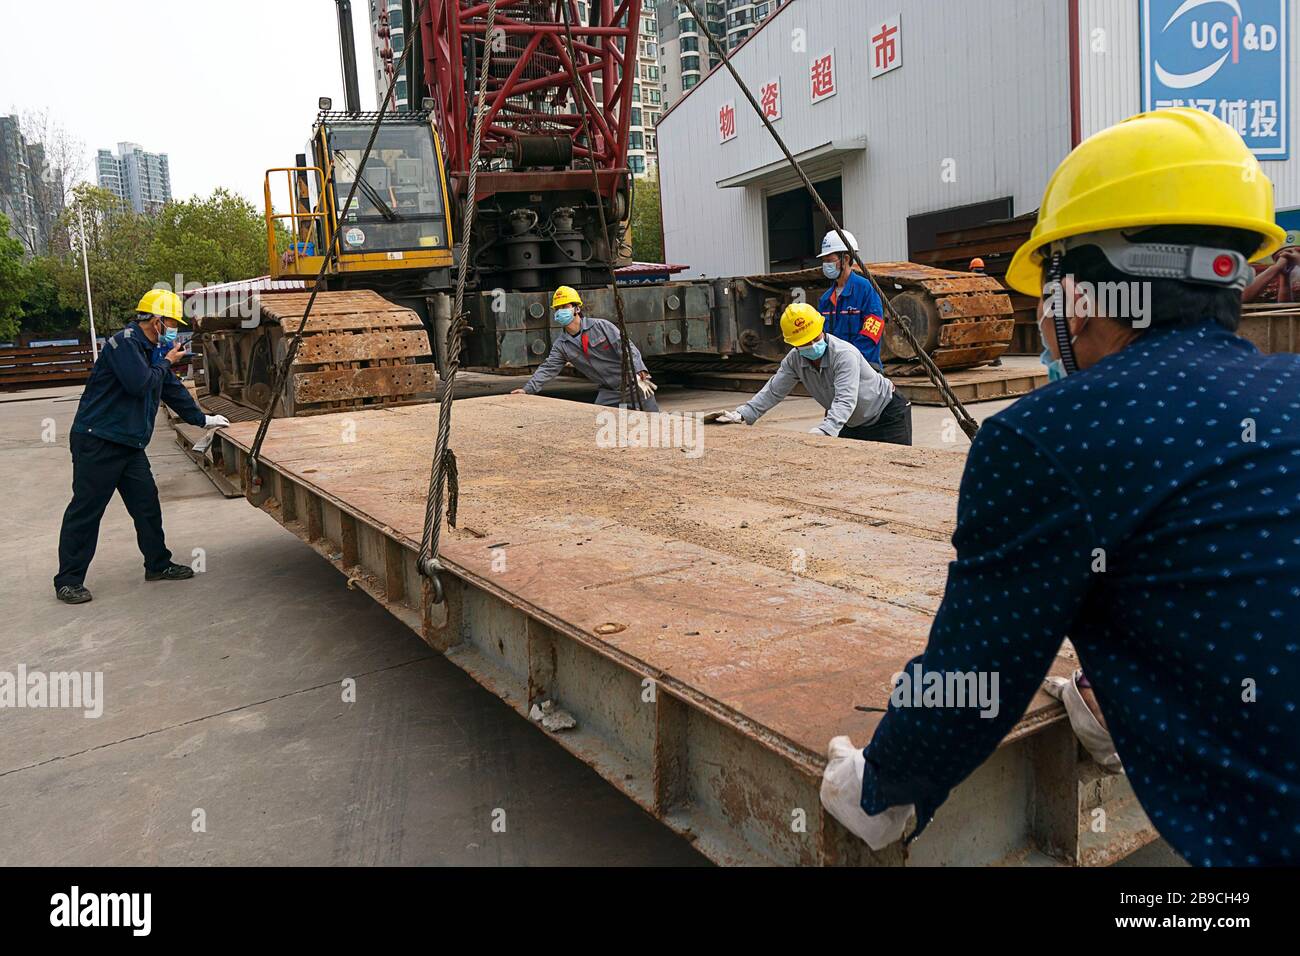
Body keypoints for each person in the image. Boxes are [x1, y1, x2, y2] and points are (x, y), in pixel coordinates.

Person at [822, 108, 1299, 865]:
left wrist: (879, 787)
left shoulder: (1050, 436)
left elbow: (975, 680)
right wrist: (1133, 684)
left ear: (1078, 293)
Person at [54, 289, 231, 605]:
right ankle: (68, 581)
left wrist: (204, 419)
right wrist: (166, 361)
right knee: (86, 510)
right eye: (172, 322)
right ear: (156, 320)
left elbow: (170, 389)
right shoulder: (126, 344)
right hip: (99, 441)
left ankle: (158, 565)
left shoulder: (152, 348)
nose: (174, 328)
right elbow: (140, 384)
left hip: (129, 443)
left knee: (146, 505)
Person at [712, 303, 912, 445]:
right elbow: (773, 391)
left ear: (821, 329)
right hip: (851, 422)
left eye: (815, 337)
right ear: (794, 344)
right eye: (805, 342)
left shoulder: (844, 355)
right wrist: (743, 414)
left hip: (886, 415)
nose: (813, 345)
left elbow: (845, 400)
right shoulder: (794, 360)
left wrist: (826, 430)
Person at [511, 286, 659, 411]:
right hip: (609, 391)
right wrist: (527, 389)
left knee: (655, 426)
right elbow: (548, 369)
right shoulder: (562, 345)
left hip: (635, 385)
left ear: (577, 308)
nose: (560, 311)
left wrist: (639, 369)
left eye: (565, 307)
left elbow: (626, 347)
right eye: (557, 308)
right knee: (596, 423)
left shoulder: (601, 326)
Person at [817, 230, 886, 371]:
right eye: (824, 262)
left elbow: (872, 329)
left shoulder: (865, 289)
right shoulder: (825, 299)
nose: (826, 265)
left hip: (865, 367)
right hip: (835, 369)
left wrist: (850, 359)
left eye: (830, 261)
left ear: (846, 259)